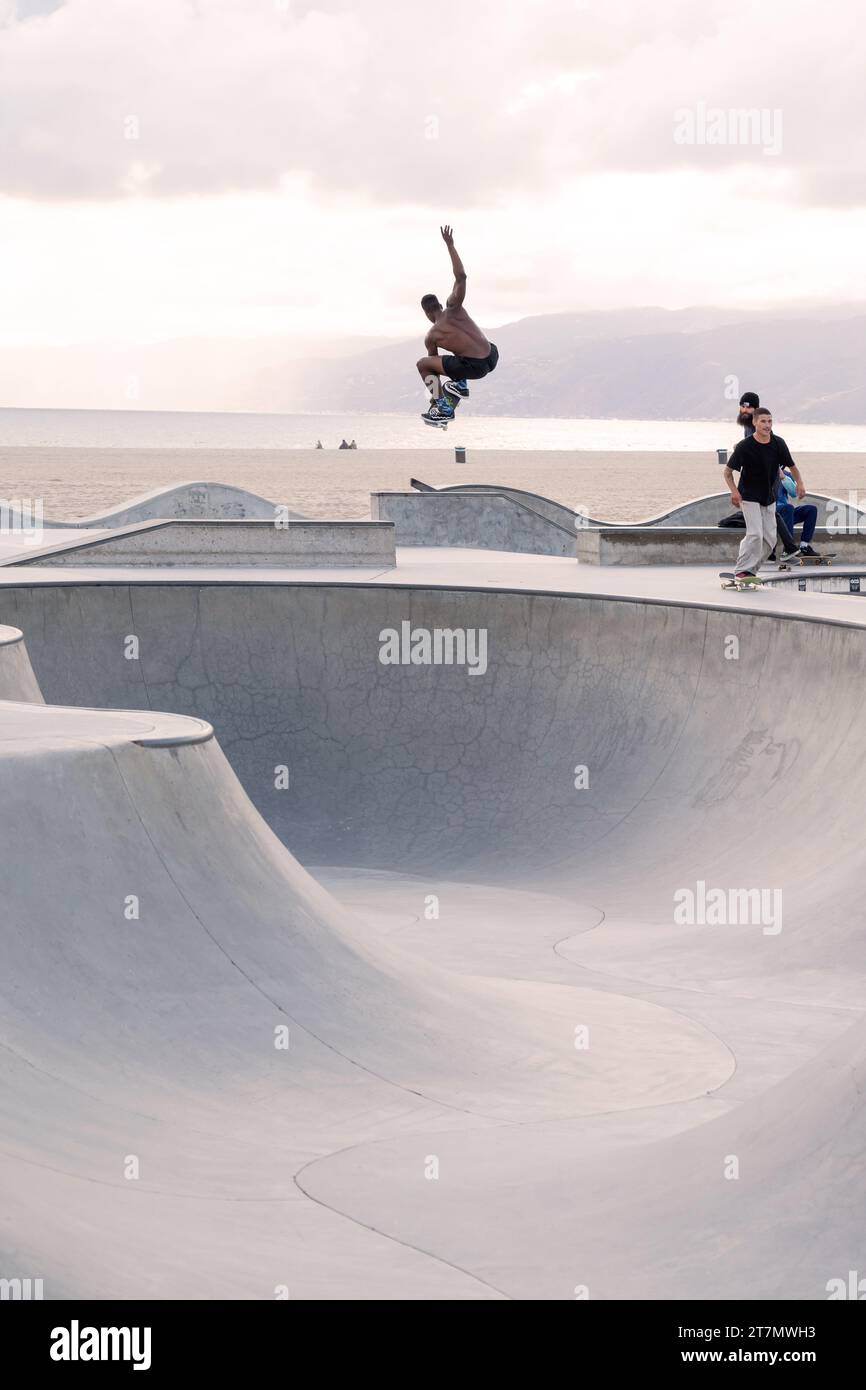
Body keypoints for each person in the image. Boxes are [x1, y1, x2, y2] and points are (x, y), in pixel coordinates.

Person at [417, 225, 499, 428]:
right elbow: (461, 277)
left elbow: (432, 366)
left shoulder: (432, 336)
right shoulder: (454, 307)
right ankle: (459, 385)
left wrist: (436, 399)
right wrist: (451, 245)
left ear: (427, 312)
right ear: (438, 304)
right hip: (492, 355)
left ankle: (441, 408)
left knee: (423, 363)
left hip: (474, 368)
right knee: (461, 353)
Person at [723, 408, 806, 579]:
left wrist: (800, 484)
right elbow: (727, 472)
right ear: (754, 422)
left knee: (770, 539)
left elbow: (793, 467)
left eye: (770, 421)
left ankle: (751, 570)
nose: (767, 425)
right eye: (763, 421)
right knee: (755, 534)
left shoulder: (778, 443)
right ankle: (741, 570)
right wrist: (734, 492)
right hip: (749, 496)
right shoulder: (745, 446)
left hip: (769, 498)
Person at [776, 467, 820, 557]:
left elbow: (793, 493)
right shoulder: (763, 473)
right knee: (788, 508)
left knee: (811, 510)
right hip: (770, 513)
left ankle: (804, 546)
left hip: (786, 513)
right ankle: (789, 548)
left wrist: (783, 477)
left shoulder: (786, 474)